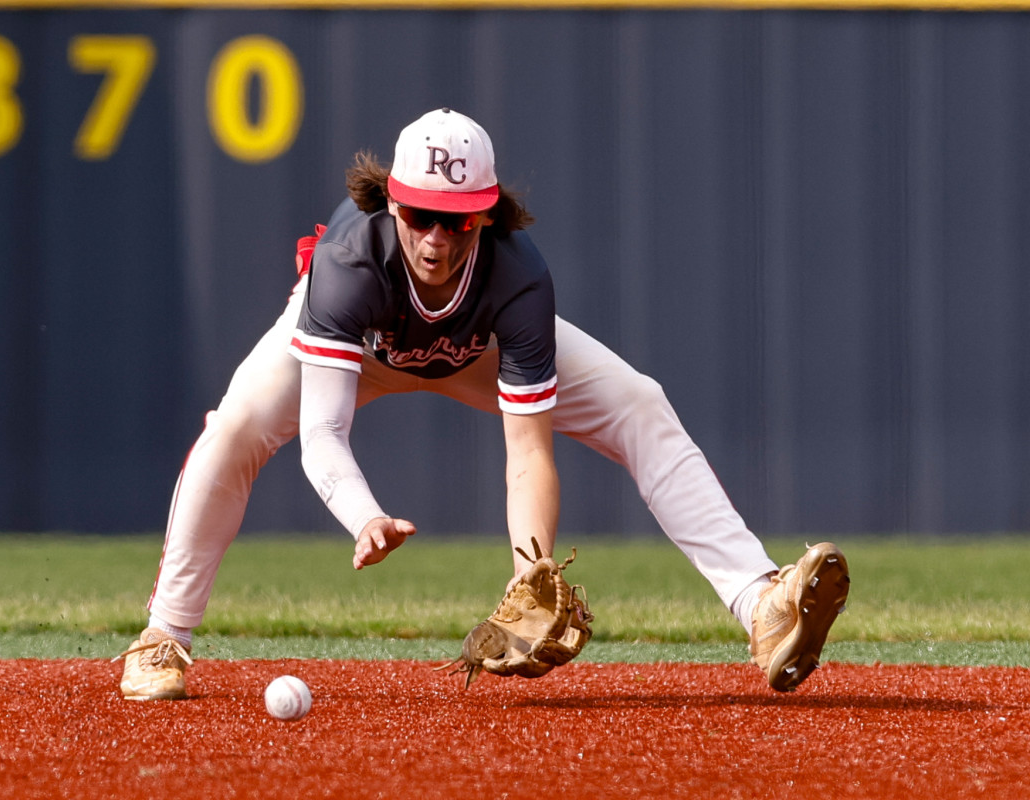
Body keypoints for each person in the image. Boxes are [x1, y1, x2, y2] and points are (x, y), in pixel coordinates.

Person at [116, 108, 850, 700]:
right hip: (358, 350)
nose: (436, 239)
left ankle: (761, 606)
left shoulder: (518, 278)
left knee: (638, 403)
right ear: (389, 201)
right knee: (232, 431)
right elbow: (322, 433)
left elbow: (527, 451)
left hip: (477, 347)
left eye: (458, 220)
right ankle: (164, 635)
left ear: (489, 215)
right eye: (420, 216)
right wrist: (364, 515)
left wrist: (529, 571)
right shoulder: (348, 265)